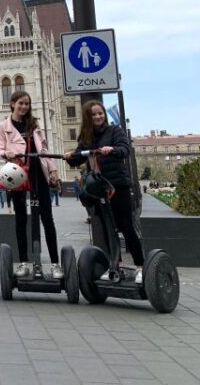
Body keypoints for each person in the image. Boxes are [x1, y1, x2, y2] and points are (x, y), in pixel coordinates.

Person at [65, 101, 145, 283]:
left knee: (125, 225)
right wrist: (69, 157)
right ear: (88, 117)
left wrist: (113, 149)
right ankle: (114, 266)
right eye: (94, 115)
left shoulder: (114, 131)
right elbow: (79, 156)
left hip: (118, 185)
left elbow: (124, 150)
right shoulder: (85, 137)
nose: (98, 117)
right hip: (99, 188)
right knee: (107, 227)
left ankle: (141, 266)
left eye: (100, 113)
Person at [0, 90, 62, 279]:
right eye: (21, 103)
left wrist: (53, 170)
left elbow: (44, 149)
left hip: (37, 173)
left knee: (47, 219)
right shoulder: (4, 126)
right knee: (21, 219)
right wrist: (5, 153)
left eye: (27, 104)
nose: (24, 107)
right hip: (17, 174)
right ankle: (24, 262)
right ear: (12, 104)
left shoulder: (34, 125)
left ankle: (55, 263)